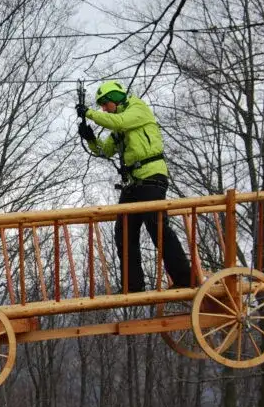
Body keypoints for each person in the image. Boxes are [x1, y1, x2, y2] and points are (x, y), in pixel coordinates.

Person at [76, 80, 192, 291]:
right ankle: (133, 285)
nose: (103, 108)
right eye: (101, 106)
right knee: (124, 232)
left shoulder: (138, 109)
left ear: (116, 99)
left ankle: (185, 277)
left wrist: (89, 114)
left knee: (156, 226)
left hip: (151, 177)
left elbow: (118, 121)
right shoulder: (120, 127)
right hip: (133, 183)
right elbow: (105, 151)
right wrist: (91, 139)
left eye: (105, 104)